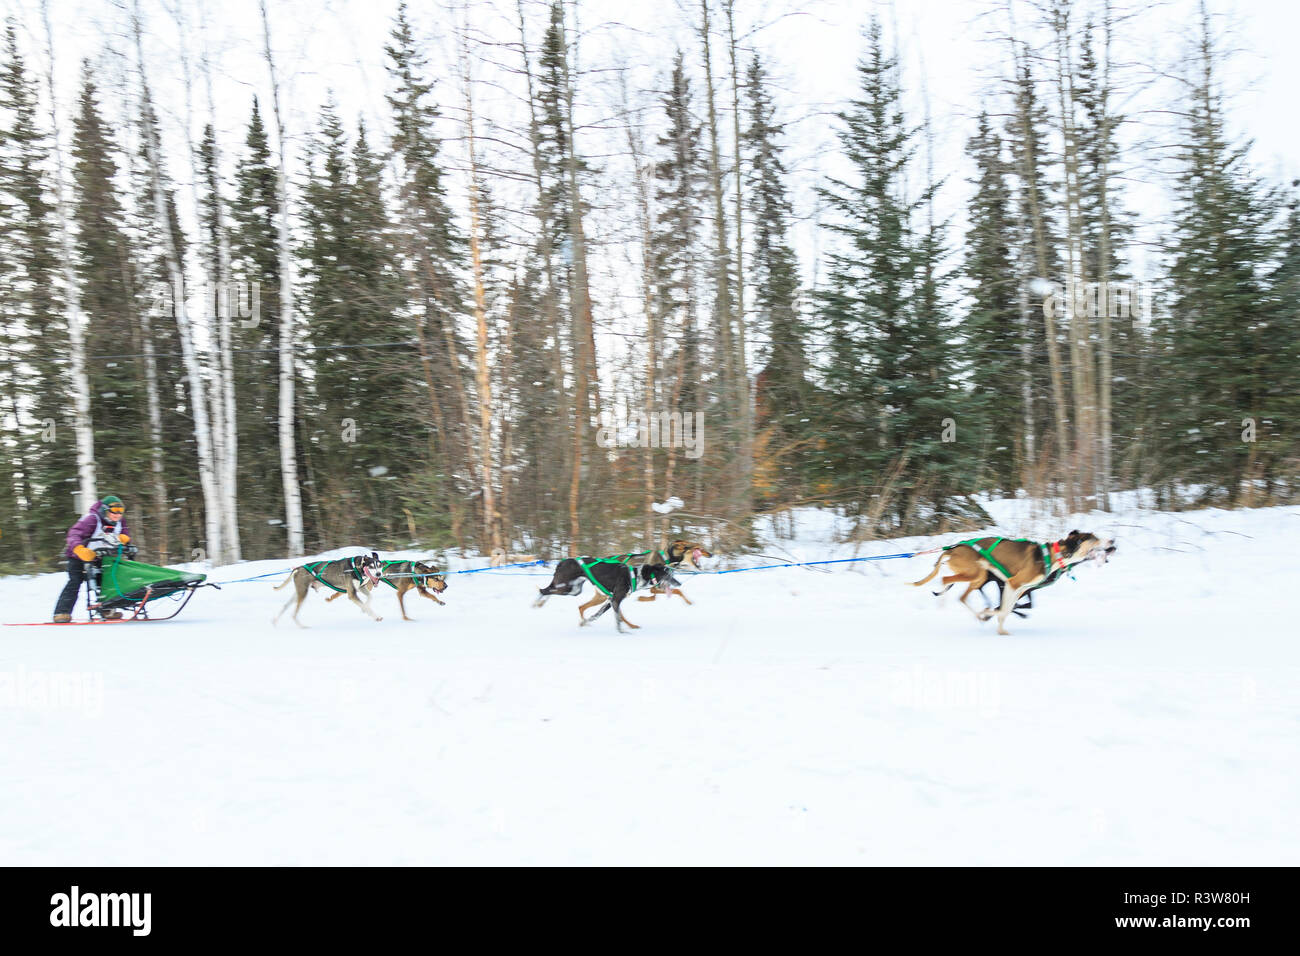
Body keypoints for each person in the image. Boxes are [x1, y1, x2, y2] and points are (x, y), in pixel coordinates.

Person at [52, 495, 133, 623]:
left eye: (121, 511)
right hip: (79, 557)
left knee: (107, 581)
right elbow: (74, 534)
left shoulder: (120, 522)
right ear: (105, 510)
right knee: (75, 582)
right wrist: (79, 549)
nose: (118, 514)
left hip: (101, 556)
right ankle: (62, 612)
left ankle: (107, 610)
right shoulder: (92, 519)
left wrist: (124, 539)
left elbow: (125, 534)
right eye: (114, 511)